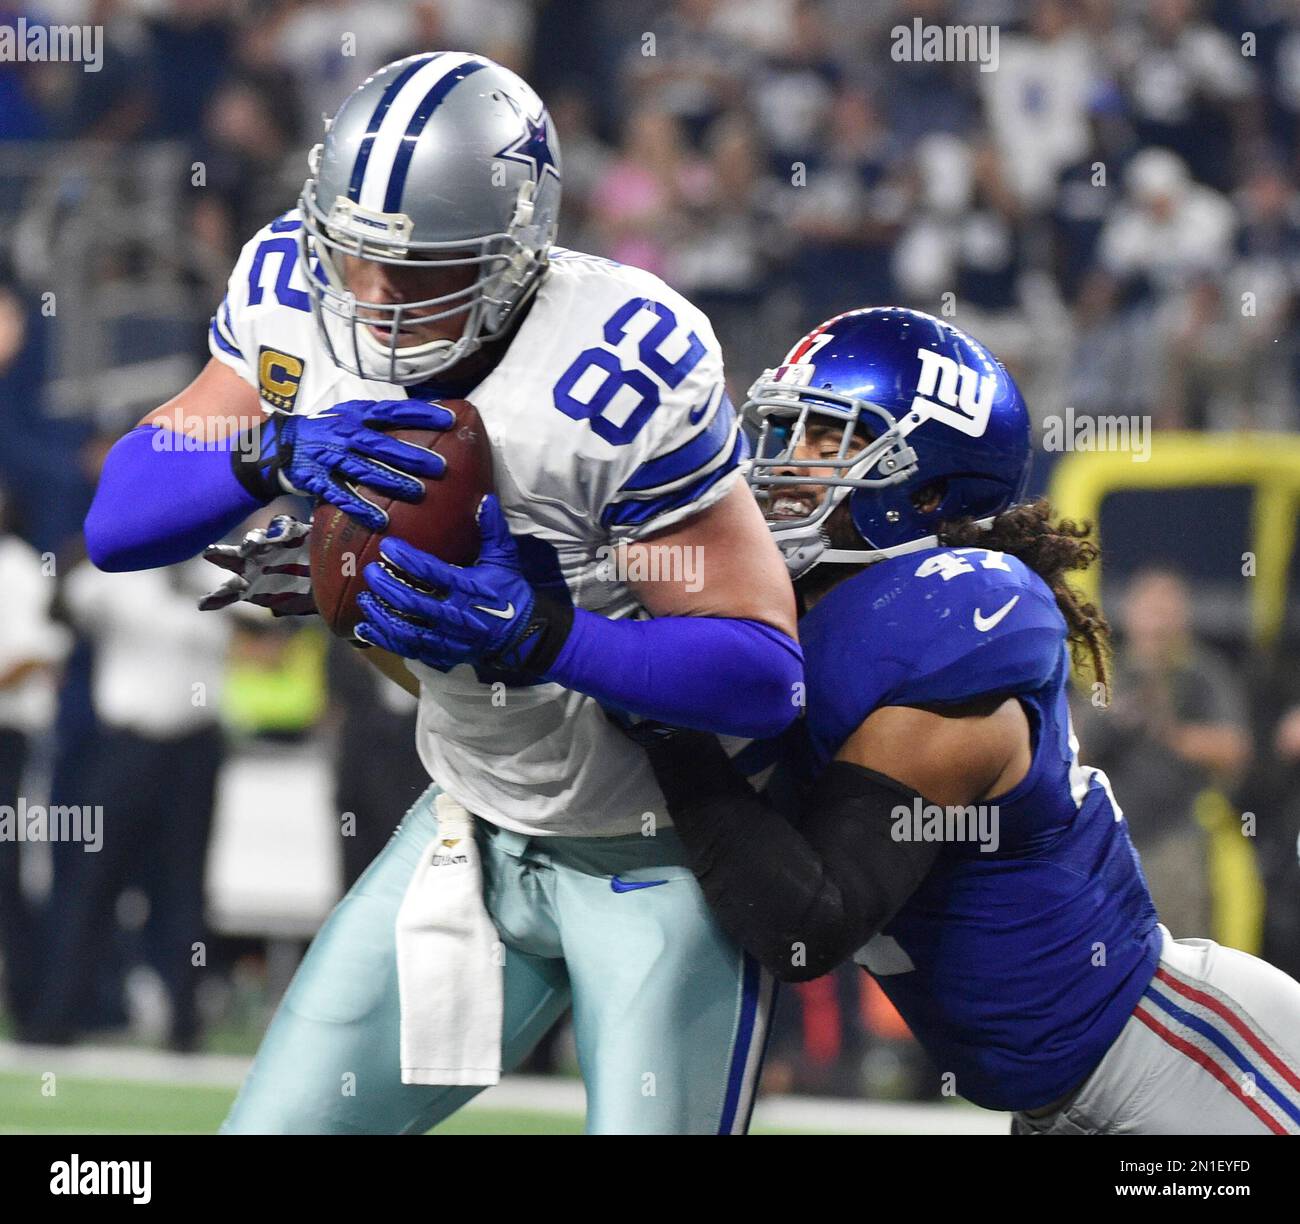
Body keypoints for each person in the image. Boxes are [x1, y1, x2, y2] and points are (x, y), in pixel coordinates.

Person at [83, 52, 800, 1134]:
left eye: (415, 272)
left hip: (661, 854)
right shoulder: (291, 288)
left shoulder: (614, 364)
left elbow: (763, 671)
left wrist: (545, 637)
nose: (369, 299)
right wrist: (266, 451)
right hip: (469, 822)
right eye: (353, 256)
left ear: (515, 256)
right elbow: (116, 521)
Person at [637, 306, 1300, 1135]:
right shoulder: (820, 629)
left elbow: (808, 923)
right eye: (780, 432)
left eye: (823, 438)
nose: (779, 466)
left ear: (929, 486)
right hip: (1063, 1103)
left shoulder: (951, 659)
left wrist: (664, 710)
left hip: (1191, 1067)